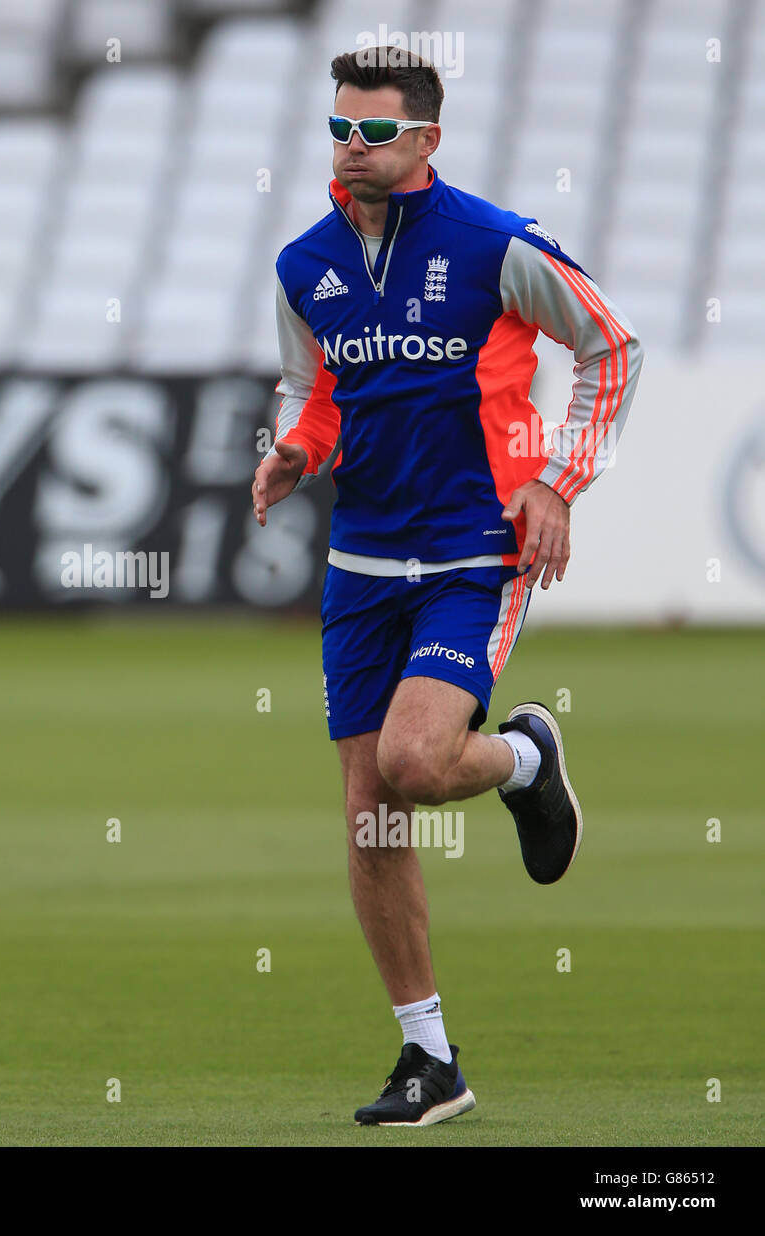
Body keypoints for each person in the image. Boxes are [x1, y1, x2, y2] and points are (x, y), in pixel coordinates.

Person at [252, 49, 642, 1125]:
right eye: (337, 129)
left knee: (415, 762)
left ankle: (523, 757)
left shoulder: (493, 244)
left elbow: (610, 347)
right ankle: (429, 1060)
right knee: (369, 814)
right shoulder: (302, 264)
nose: (350, 149)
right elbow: (315, 385)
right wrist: (294, 449)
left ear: (426, 139)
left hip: (475, 550)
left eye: (371, 131)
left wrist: (558, 482)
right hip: (361, 561)